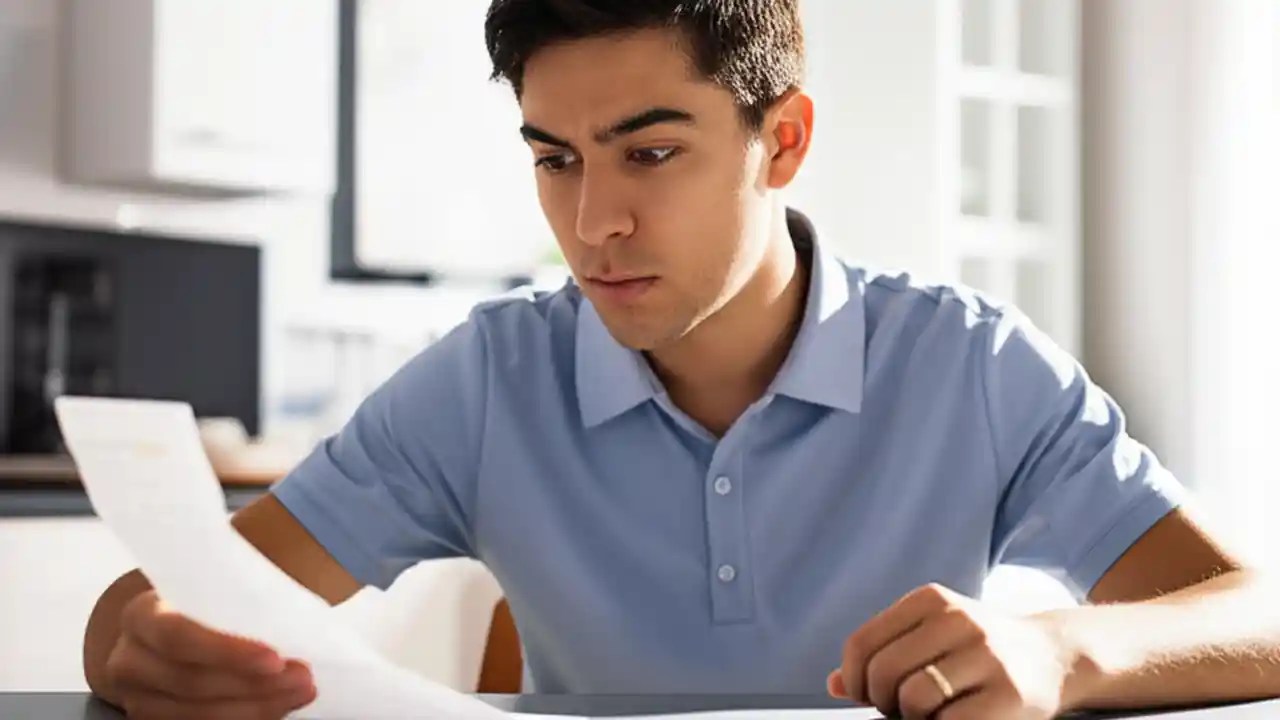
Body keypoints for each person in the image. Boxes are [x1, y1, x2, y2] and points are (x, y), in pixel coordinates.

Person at [82, 1, 1280, 718]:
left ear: (783, 140)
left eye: (648, 154)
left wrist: (1058, 648)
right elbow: (158, 606)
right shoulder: (486, 380)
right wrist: (139, 644)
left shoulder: (969, 365)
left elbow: (1257, 612)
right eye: (554, 158)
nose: (591, 219)